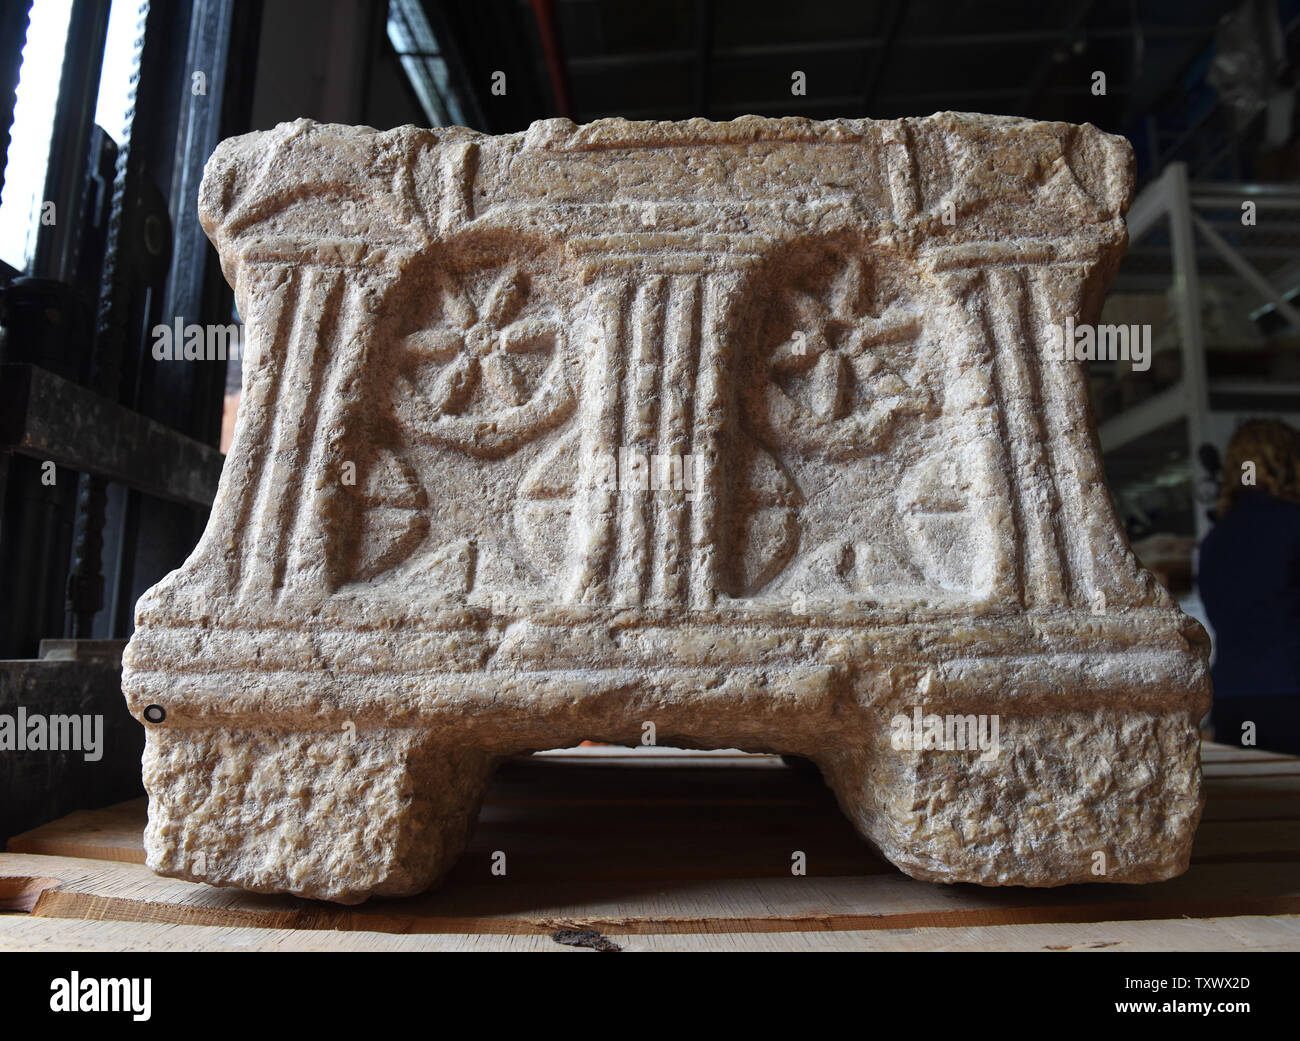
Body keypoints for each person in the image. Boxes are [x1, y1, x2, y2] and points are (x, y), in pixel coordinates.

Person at [1197, 419, 1300, 755]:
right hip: (1291, 692)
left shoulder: (1214, 541)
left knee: (1257, 804)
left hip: (1234, 700)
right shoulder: (1292, 525)